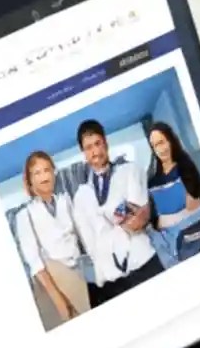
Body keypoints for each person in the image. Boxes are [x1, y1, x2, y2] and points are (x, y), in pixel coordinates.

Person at [70, 119, 164, 304]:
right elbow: (91, 245)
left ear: (106, 143)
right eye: (89, 147)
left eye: (98, 144)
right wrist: (119, 212)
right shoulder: (81, 196)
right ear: (84, 153)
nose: (95, 151)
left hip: (143, 262)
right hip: (112, 280)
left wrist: (110, 223)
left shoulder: (130, 171)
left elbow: (135, 222)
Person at [12, 150, 93, 330]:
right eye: (37, 173)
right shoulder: (25, 215)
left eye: (47, 170)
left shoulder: (66, 201)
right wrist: (58, 300)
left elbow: (83, 236)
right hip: (57, 279)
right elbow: (35, 263)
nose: (43, 176)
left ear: (54, 173)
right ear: (30, 180)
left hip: (82, 272)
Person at [146, 121, 200, 264]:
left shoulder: (185, 167)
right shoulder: (153, 183)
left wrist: (171, 217)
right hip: (175, 247)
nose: (160, 149)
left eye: (162, 142)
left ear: (171, 141)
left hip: (197, 236)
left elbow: (194, 206)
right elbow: (157, 222)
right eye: (155, 146)